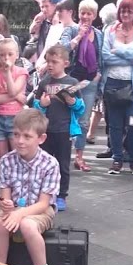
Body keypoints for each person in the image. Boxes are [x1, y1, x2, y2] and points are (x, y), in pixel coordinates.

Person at [0, 108, 62, 265]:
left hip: (39, 211)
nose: (20, 141)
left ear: (41, 138)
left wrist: (20, 213)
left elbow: (44, 204)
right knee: (0, 225)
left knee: (28, 225)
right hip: (15, 210)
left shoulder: (50, 164)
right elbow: (5, 198)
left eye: (27, 136)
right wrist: (6, 205)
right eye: (16, 135)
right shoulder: (6, 161)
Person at [99, 0, 133, 175]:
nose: (125, 13)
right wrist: (130, 57)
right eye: (122, 9)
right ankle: (117, 159)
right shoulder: (110, 30)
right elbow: (105, 56)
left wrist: (119, 51)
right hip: (112, 82)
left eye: (129, 10)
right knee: (114, 125)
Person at [31, 44, 83, 212]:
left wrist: (73, 102)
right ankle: (43, 194)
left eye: (54, 61)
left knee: (63, 164)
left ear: (65, 63)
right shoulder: (45, 82)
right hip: (46, 131)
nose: (50, 65)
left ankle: (61, 195)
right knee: (43, 163)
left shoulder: (72, 83)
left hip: (64, 130)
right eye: (48, 61)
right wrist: (43, 104)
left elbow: (80, 108)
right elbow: (36, 106)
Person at [60, 0, 104, 172]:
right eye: (82, 13)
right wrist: (78, 36)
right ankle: (64, 155)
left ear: (94, 16)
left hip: (90, 82)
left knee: (84, 121)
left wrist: (98, 75)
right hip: (72, 80)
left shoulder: (98, 34)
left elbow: (101, 57)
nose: (85, 16)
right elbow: (62, 49)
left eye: (89, 13)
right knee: (67, 118)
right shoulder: (70, 29)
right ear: (78, 14)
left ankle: (79, 157)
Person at [0, 38, 28, 165]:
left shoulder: (21, 72)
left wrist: (7, 74)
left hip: (15, 117)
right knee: (1, 156)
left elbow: (13, 91)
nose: (5, 58)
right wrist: (17, 96)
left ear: (17, 55)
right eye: (2, 55)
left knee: (17, 152)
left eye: (10, 54)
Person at [88, 2, 117, 150]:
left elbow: (105, 54)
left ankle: (95, 136)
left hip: (105, 76)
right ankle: (111, 144)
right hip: (104, 76)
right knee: (103, 110)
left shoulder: (105, 30)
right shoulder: (107, 30)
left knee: (101, 109)